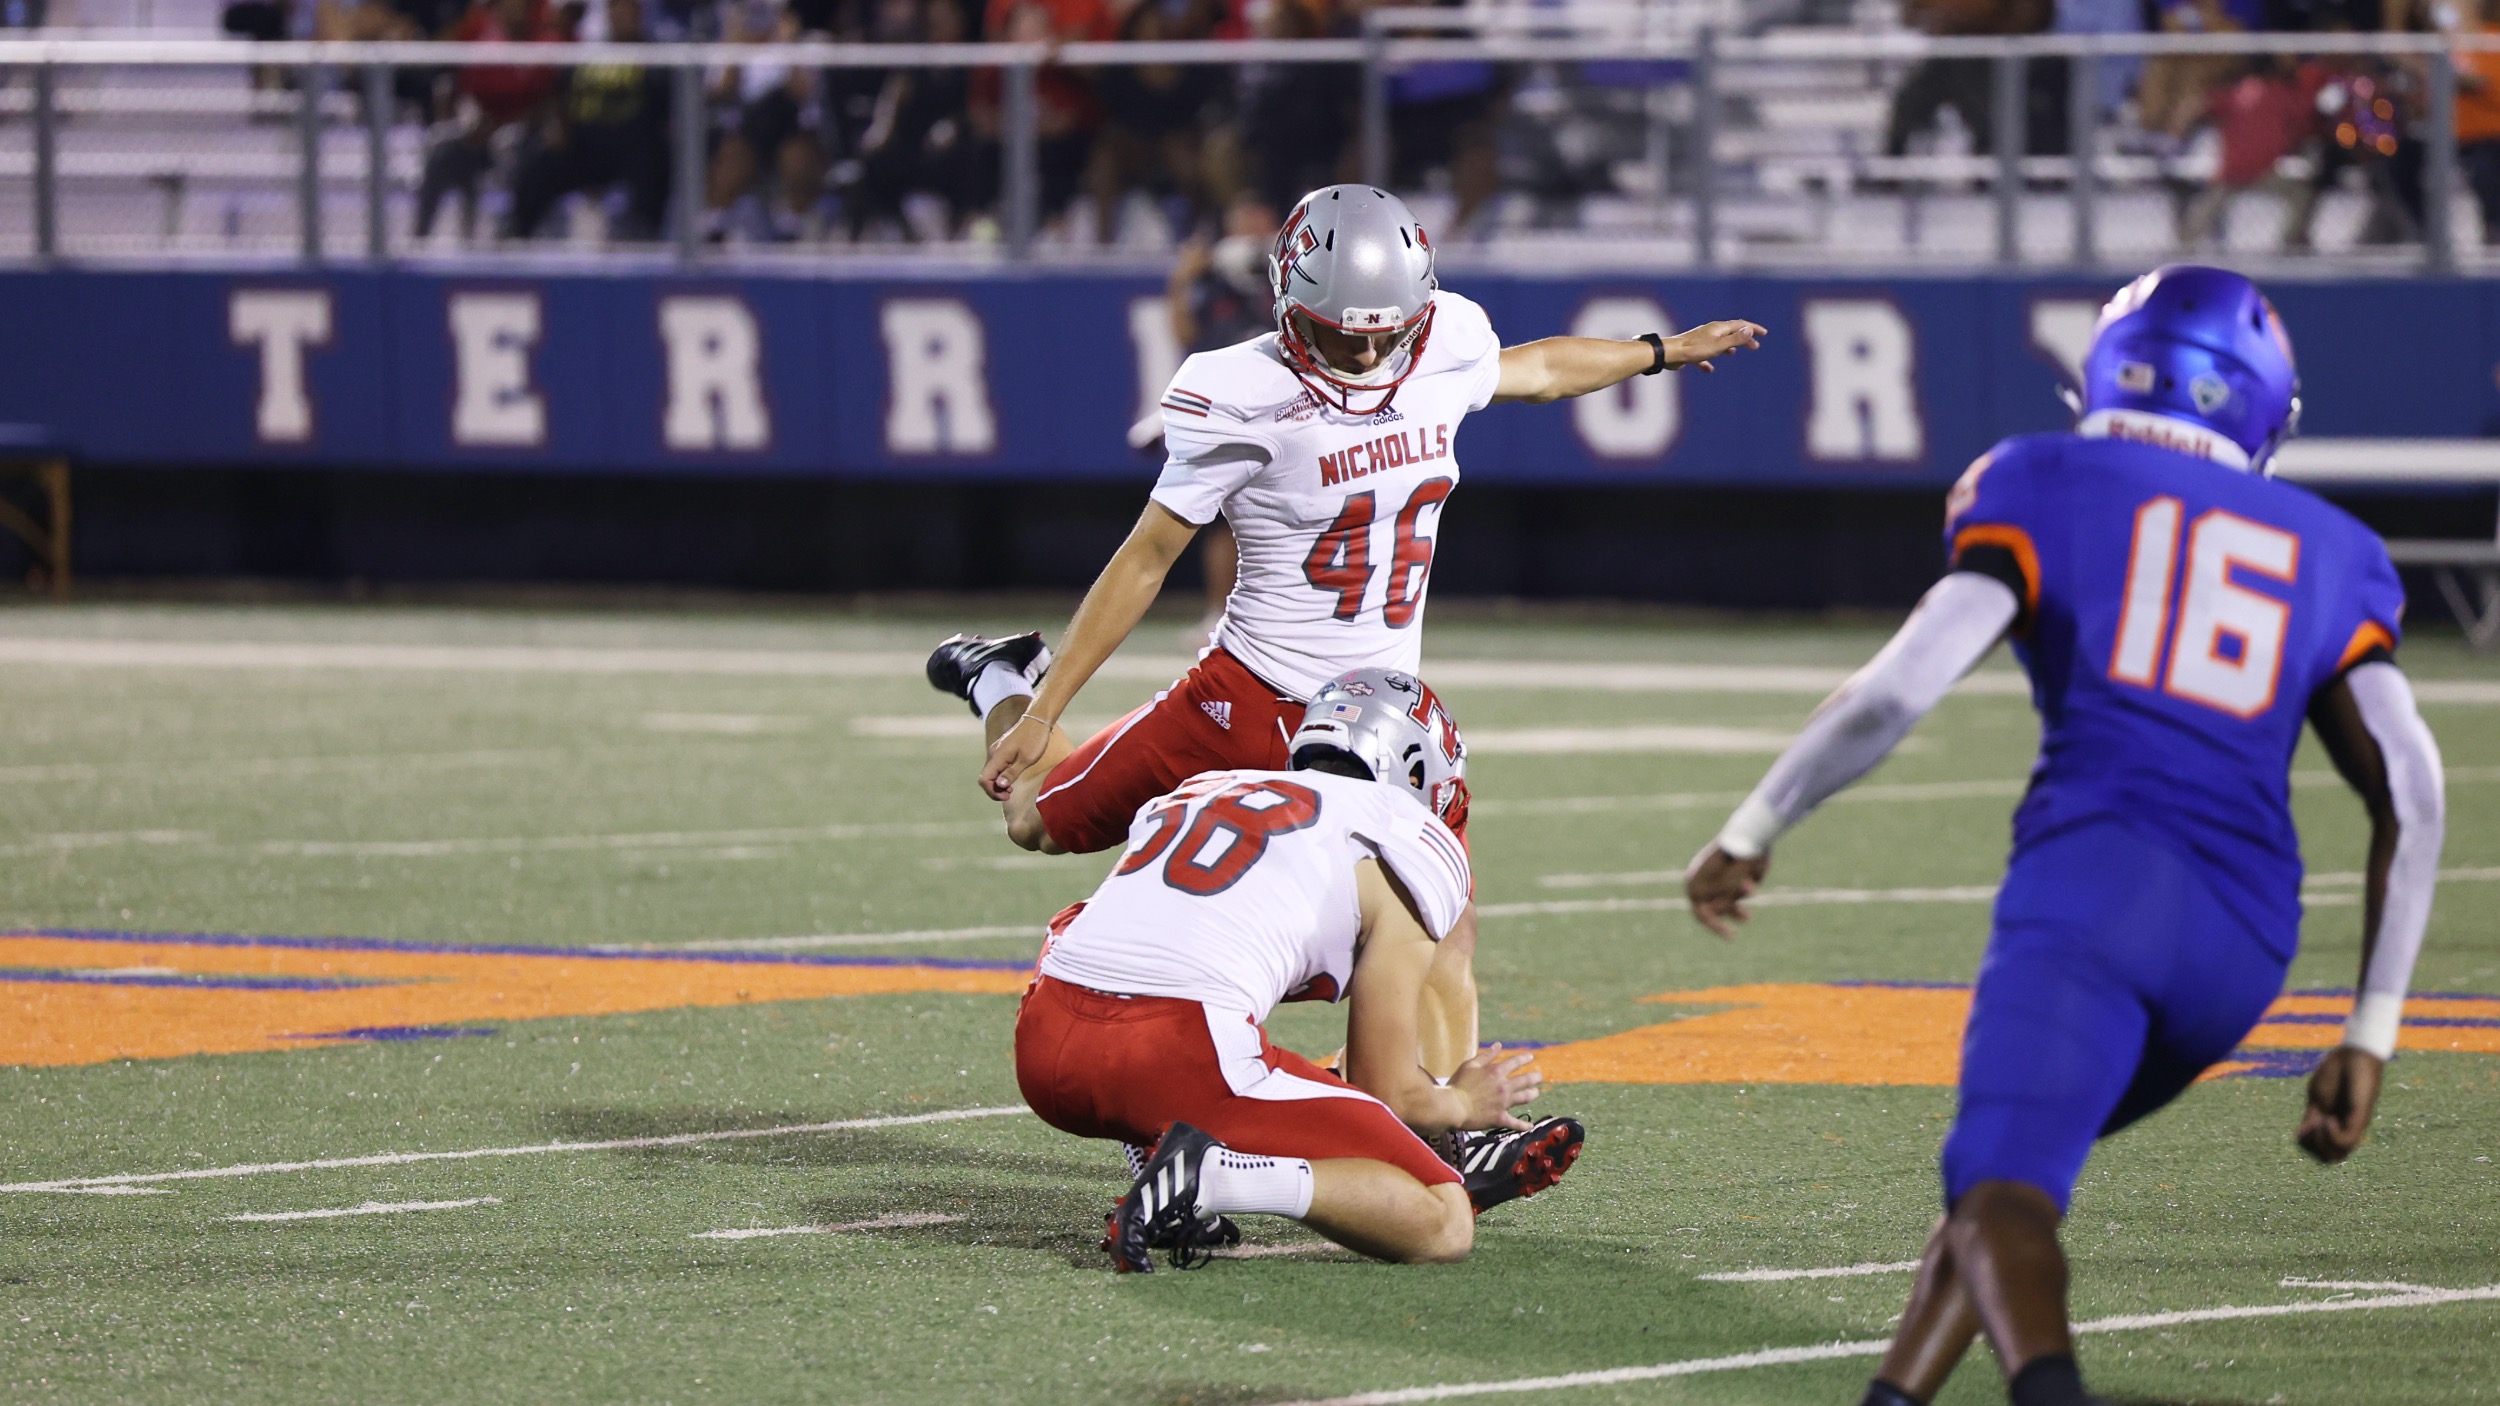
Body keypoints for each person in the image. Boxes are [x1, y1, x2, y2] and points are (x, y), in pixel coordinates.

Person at [1683, 265, 2445, 1406]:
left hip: (2095, 892)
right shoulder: (2332, 545)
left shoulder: (2040, 477)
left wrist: (1755, 821)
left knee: (2001, 1191)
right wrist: (2370, 1028)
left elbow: (1898, 690)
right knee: (2004, 1180)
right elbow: (2415, 791)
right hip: (2245, 945)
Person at [927, 183, 1763, 1081]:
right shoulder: (1240, 391)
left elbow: (1540, 369)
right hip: (1243, 696)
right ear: (1291, 307)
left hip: (1383, 715)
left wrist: (1657, 352)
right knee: (1032, 821)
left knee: (1437, 923)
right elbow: (1146, 559)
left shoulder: (1443, 338)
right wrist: (1047, 707)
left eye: (1384, 327)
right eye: (1341, 330)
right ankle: (1004, 678)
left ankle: (1431, 1128)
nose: (1366, 348)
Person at [1016, 668, 1582, 1272]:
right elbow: (1386, 1090)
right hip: (1171, 1054)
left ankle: (1168, 1160)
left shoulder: (1210, 785)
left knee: (1148, 954)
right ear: (1417, 769)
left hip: (1044, 1047)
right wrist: (1460, 1104)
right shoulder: (1406, 835)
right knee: (1445, 1221)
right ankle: (1213, 1178)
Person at [506, 0, 673, 241]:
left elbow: (669, 106)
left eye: (629, 9)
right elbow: (558, 92)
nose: (623, 15)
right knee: (538, 158)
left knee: (655, 161)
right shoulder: (588, 52)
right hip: (581, 147)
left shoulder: (657, 57)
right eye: (617, 8)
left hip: (633, 150)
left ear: (640, 13)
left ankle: (645, 238)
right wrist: (555, 123)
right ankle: (517, 235)